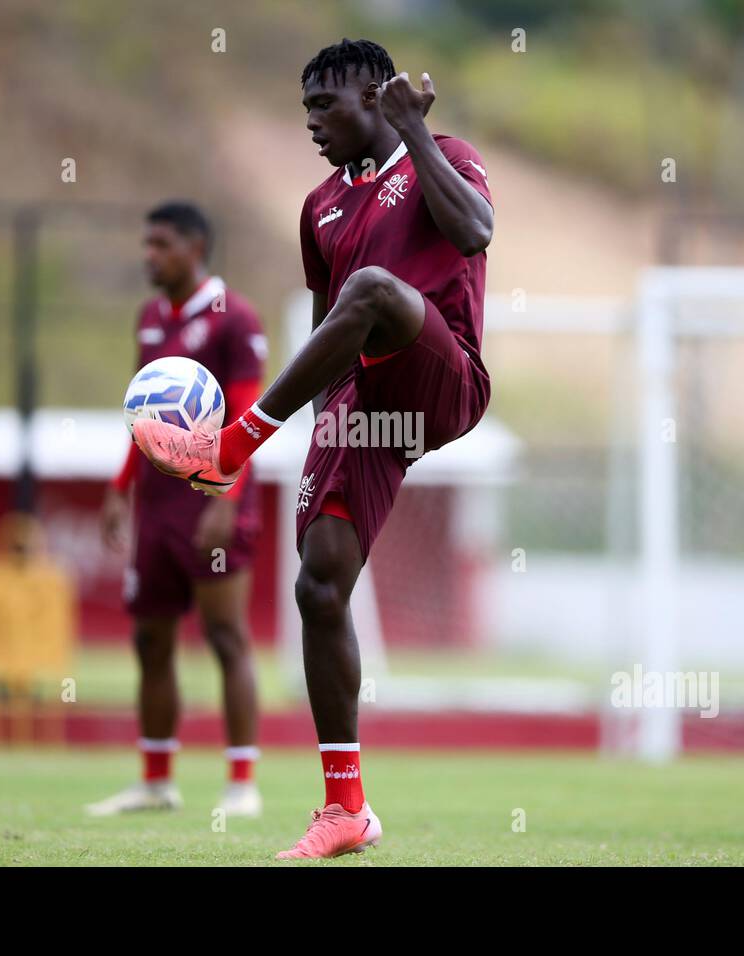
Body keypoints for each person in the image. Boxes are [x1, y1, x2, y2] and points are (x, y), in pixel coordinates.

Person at [133, 39, 493, 858]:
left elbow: (474, 232)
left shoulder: (450, 158)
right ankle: (345, 810)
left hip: (444, 378)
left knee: (371, 290)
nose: (311, 124)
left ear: (376, 98)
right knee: (319, 585)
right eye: (303, 112)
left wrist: (418, 135)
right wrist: (328, 439)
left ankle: (235, 443)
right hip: (360, 405)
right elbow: (333, 333)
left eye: (323, 107)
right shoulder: (319, 208)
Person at [87, 202, 268, 819]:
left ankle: (242, 784)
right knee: (150, 638)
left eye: (160, 244)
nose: (149, 255)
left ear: (195, 247)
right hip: (157, 508)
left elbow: (248, 418)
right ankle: (157, 781)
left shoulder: (234, 319)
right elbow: (146, 421)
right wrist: (119, 487)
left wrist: (229, 498)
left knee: (226, 636)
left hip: (215, 505)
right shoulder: (148, 320)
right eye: (146, 243)